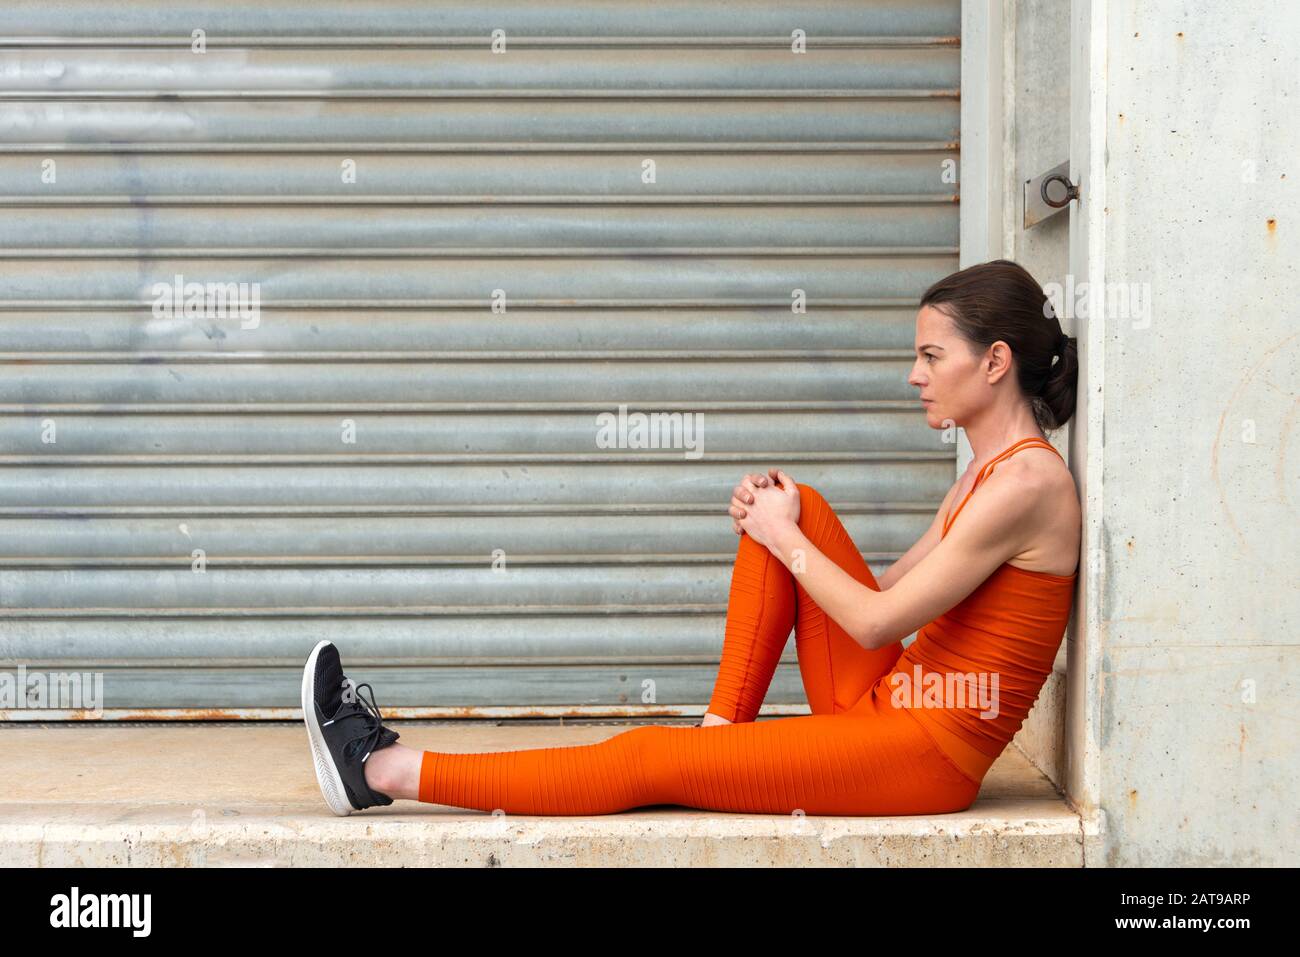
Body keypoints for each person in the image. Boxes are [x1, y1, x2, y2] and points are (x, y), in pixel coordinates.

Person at [302, 258, 1081, 817]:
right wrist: (783, 527)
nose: (914, 373)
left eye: (930, 355)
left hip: (925, 755)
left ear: (995, 362)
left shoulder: (1026, 483)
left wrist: (783, 538)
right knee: (792, 501)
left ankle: (382, 771)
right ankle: (716, 738)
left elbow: (875, 623)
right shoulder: (986, 472)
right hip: (887, 703)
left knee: (644, 757)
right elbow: (884, 598)